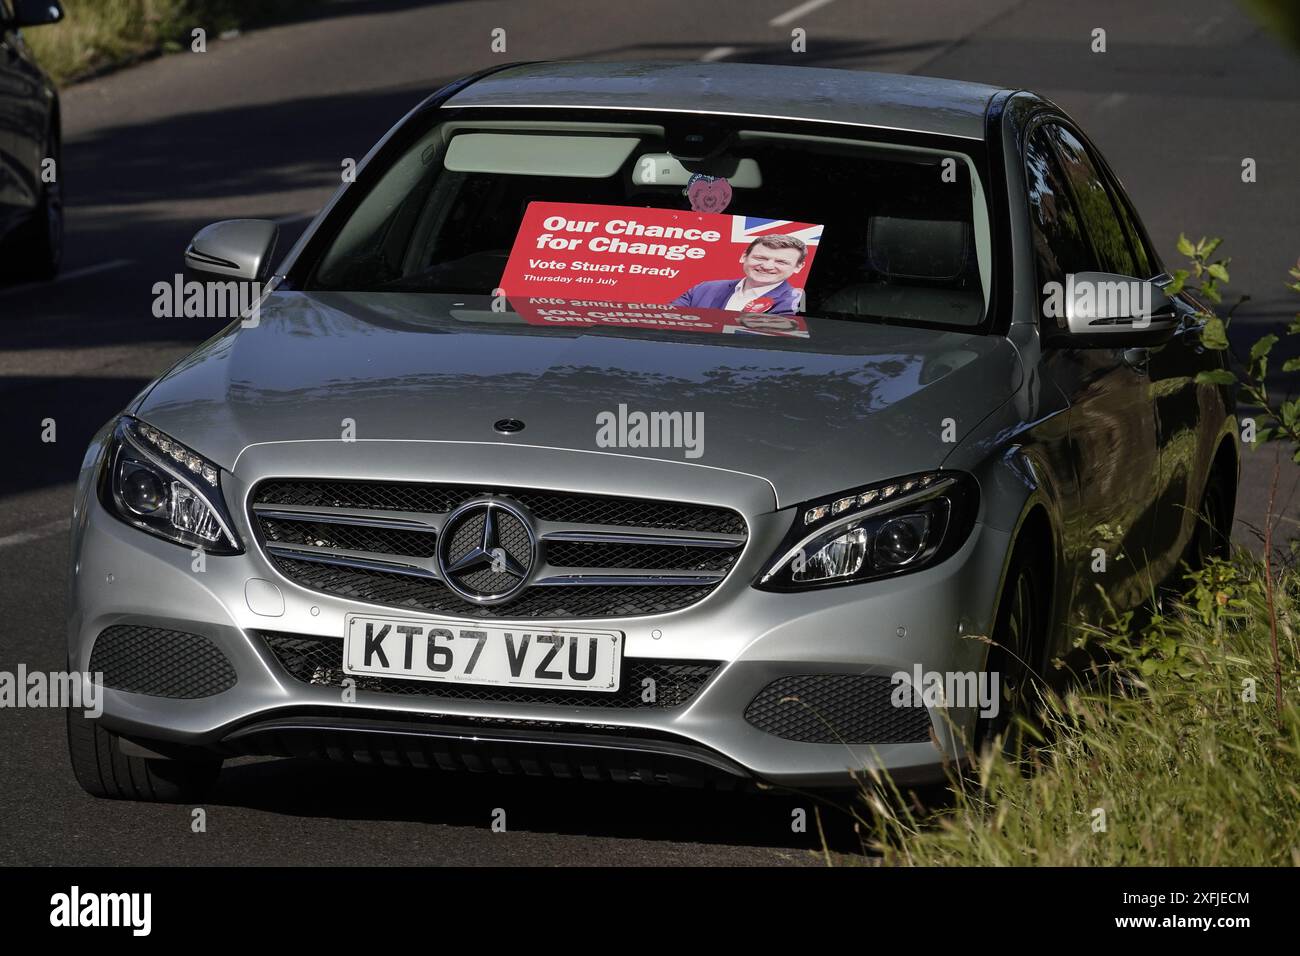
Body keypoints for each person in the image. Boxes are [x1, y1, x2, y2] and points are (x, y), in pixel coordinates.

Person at [671, 235, 807, 315]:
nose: (767, 266)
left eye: (781, 262)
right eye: (760, 258)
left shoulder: (796, 304)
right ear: (743, 257)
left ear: (798, 267)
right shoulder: (705, 288)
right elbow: (667, 319)